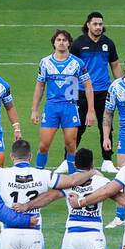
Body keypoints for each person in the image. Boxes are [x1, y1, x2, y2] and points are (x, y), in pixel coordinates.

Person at [32, 30, 96, 173]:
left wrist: (90, 111)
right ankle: (38, 174)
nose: (61, 42)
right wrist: (34, 110)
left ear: (69, 43)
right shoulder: (45, 63)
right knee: (44, 145)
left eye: (64, 40)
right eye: (58, 40)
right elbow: (40, 86)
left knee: (71, 145)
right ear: (54, 43)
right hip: (51, 108)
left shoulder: (77, 63)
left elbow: (88, 86)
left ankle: (72, 179)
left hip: (70, 107)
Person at [71, 11, 120, 170]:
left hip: (103, 91)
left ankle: (107, 161)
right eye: (95, 24)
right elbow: (70, 70)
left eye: (100, 24)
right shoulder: (78, 44)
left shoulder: (109, 44)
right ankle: (69, 159)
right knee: (77, 127)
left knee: (106, 125)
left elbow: (115, 66)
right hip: (80, 92)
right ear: (88, 25)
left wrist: (120, 87)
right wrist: (69, 94)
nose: (98, 27)